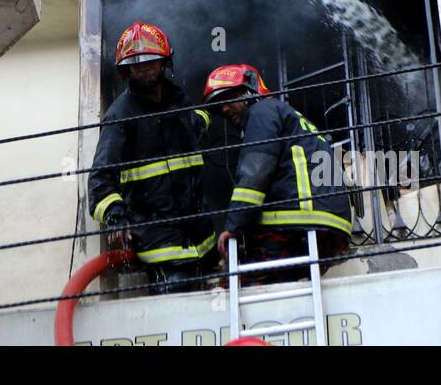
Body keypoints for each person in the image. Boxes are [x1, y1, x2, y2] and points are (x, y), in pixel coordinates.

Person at [87, 22, 217, 294]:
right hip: (162, 250)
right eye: (136, 64)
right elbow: (100, 181)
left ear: (163, 63)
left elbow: (197, 122)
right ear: (127, 70)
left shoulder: (180, 102)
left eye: (150, 62)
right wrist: (116, 217)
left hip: (204, 243)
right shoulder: (120, 116)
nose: (144, 68)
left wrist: (202, 123)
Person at [204, 63, 353, 283]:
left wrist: (233, 227)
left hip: (299, 223)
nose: (224, 110)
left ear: (250, 91)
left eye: (228, 98)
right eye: (218, 107)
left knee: (239, 280)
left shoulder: (262, 111)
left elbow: (255, 173)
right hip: (329, 225)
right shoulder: (288, 117)